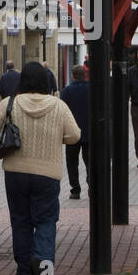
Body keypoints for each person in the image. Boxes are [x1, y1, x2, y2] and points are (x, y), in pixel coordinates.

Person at [0, 61, 79, 275]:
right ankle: (44, 267)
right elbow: (74, 136)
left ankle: (23, 271)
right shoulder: (58, 105)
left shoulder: (10, 103)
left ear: (22, 80)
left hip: (15, 171)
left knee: (21, 220)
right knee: (46, 220)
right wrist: (55, 138)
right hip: (48, 173)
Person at [59, 65, 90, 198]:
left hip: (71, 133)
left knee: (72, 163)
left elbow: (62, 111)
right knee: (90, 162)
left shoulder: (66, 91)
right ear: (84, 75)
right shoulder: (92, 89)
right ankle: (92, 188)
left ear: (73, 76)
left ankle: (75, 189)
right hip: (89, 132)